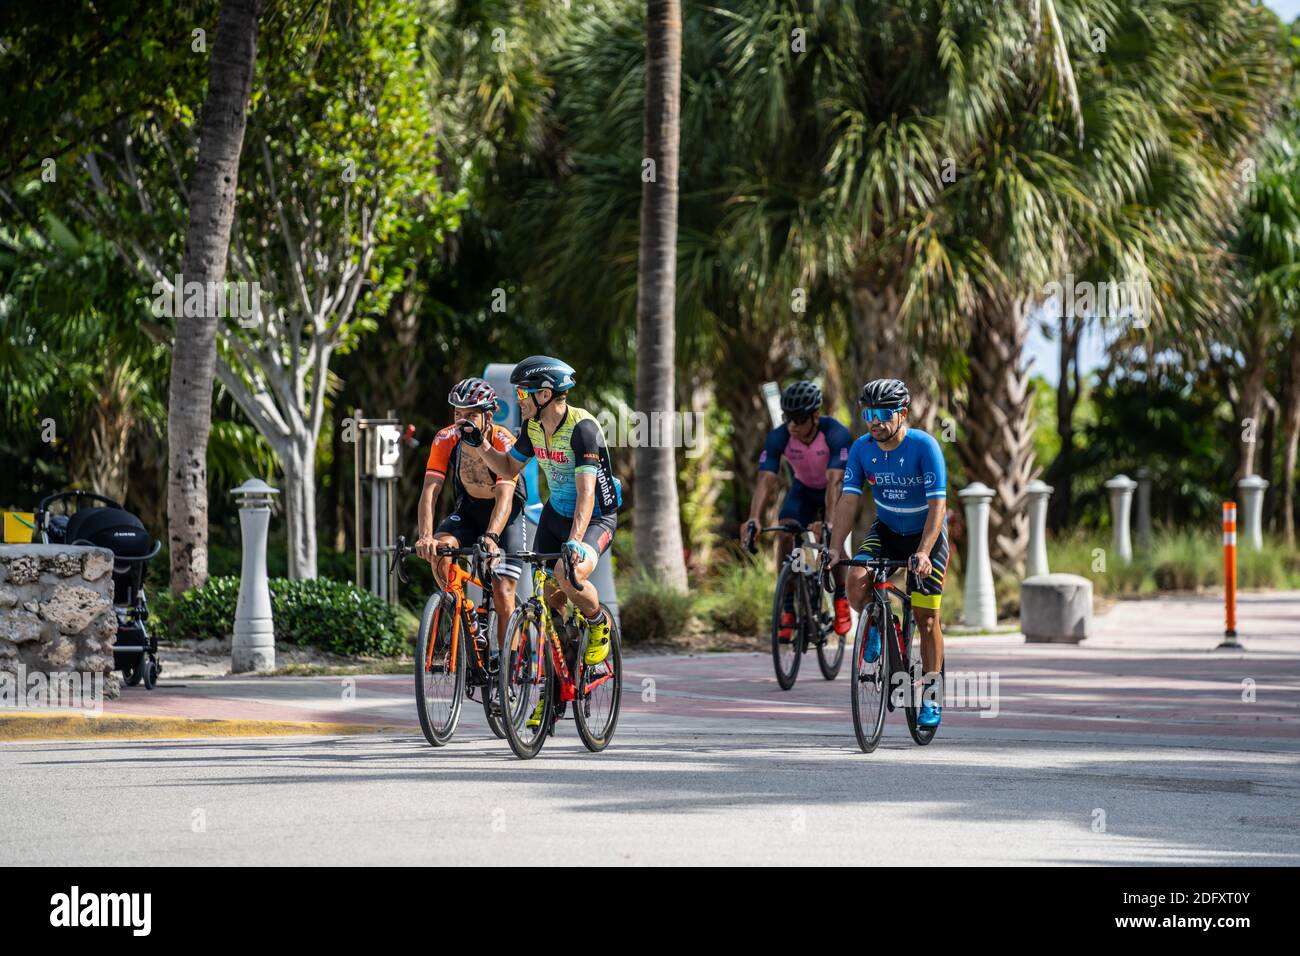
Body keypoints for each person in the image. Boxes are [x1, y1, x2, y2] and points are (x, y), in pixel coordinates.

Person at [458, 355, 621, 678]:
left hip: (596, 518)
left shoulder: (583, 429)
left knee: (567, 573)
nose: (519, 400)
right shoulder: (533, 428)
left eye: (523, 393)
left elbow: (587, 494)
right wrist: (480, 446)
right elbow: (507, 469)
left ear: (544, 395)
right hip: (555, 513)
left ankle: (598, 622)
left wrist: (574, 541)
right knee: (549, 599)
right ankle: (558, 687)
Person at [828, 378, 948, 729]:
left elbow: (937, 504)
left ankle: (931, 694)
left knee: (927, 619)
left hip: (926, 536)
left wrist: (924, 552)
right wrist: (835, 547)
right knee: (855, 582)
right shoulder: (862, 448)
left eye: (883, 413)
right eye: (869, 413)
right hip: (887, 532)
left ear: (902, 414)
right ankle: (881, 623)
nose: (874, 421)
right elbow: (849, 500)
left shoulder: (924, 447)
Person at [415, 377, 526, 649]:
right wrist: (426, 536)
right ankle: (460, 613)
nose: (462, 421)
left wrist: (491, 536)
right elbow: (430, 489)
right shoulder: (445, 438)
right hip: (469, 509)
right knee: (441, 550)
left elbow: (504, 498)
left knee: (503, 592)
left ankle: (507, 668)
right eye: (457, 414)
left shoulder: (502, 440)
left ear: (488, 416)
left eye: (471, 415)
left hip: (504, 515)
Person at [740, 380, 852, 640]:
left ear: (815, 416)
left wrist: (830, 522)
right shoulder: (779, 436)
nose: (792, 425)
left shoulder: (835, 434)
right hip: (803, 490)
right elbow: (766, 479)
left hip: (833, 491)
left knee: (832, 539)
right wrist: (754, 518)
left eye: (799, 419)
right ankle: (788, 607)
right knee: (785, 532)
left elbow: (835, 481)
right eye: (787, 418)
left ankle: (841, 597)